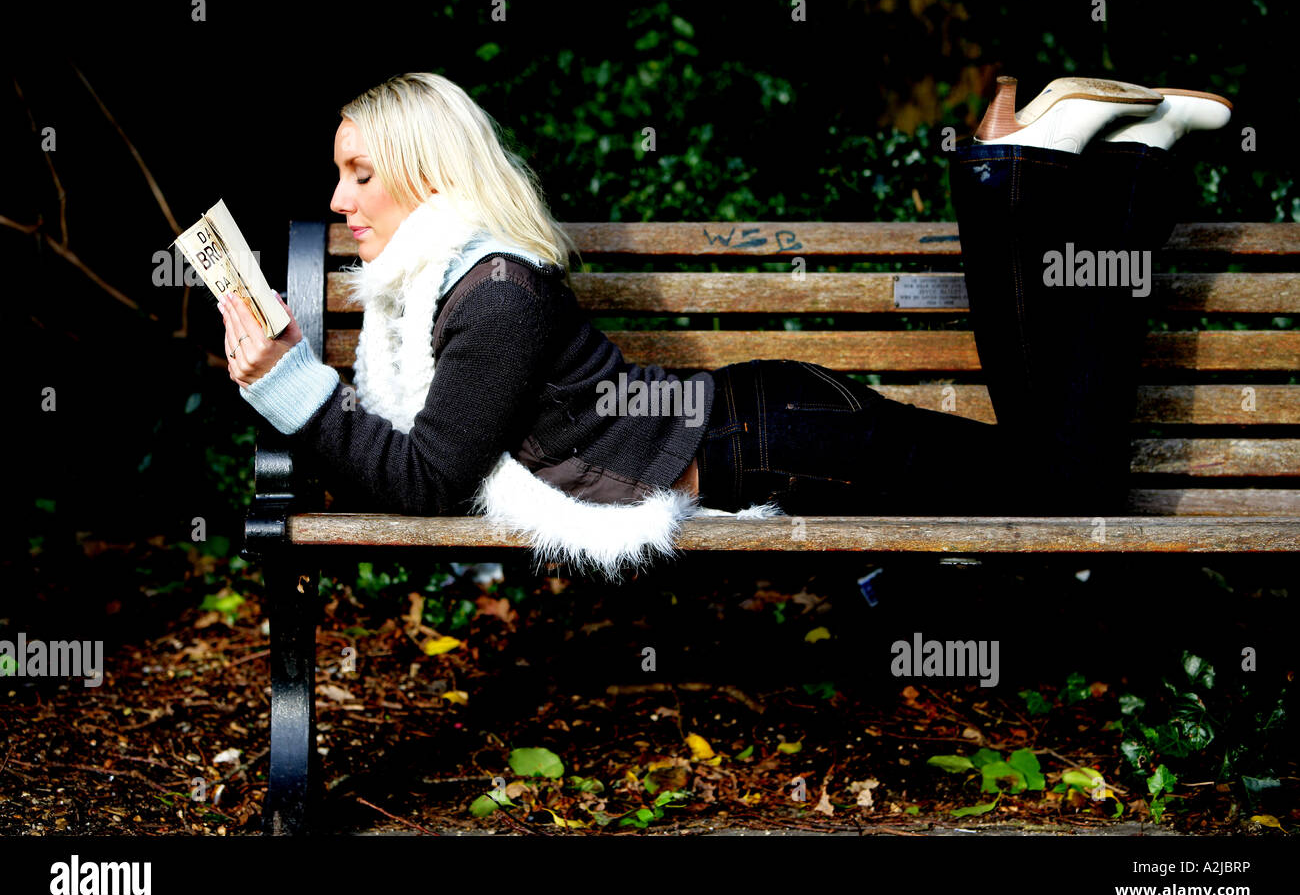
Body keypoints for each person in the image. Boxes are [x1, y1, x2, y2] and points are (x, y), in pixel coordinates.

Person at [219, 72, 1231, 580]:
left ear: (429, 175)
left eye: (361, 173)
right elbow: (423, 455)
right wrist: (294, 374)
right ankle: (1119, 157)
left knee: (1069, 493)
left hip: (785, 437)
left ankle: (1029, 165)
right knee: (1057, 477)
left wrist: (287, 381)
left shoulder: (492, 293)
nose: (342, 198)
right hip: (768, 425)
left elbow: (426, 479)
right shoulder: (460, 281)